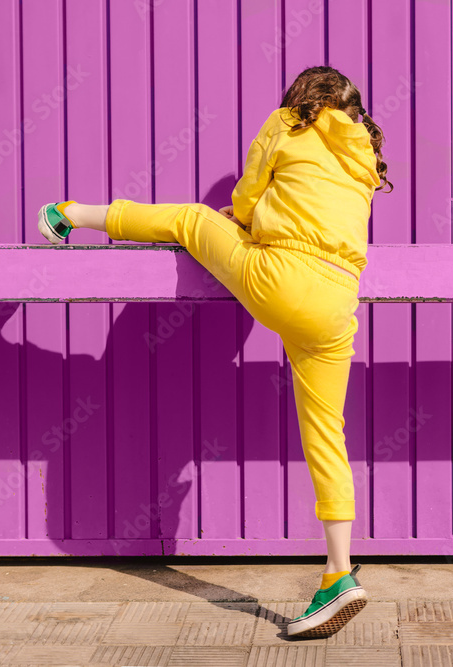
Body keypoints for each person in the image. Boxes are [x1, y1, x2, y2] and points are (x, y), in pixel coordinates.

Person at [36, 65, 392, 638]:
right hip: (337, 301)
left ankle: (70, 214)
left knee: (191, 218)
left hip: (280, 277)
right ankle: (338, 572)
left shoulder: (287, 123)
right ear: (355, 111)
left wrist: (241, 220)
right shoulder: (364, 158)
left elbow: (247, 195)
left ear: (305, 98)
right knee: (328, 434)